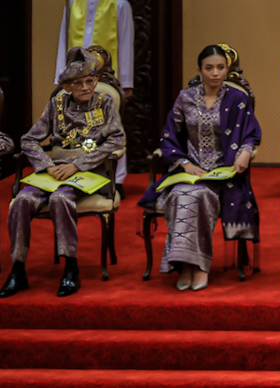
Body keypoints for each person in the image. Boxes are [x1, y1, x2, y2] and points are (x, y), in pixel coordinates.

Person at [2, 48, 125, 299]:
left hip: (89, 171)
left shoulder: (105, 103)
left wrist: (77, 164)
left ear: (96, 80)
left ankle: (71, 267)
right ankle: (18, 269)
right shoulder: (56, 104)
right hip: (54, 171)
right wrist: (47, 165)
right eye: (78, 83)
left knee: (60, 199)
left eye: (89, 81)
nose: (85, 87)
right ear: (67, 86)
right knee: (22, 200)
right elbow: (28, 140)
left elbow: (117, 141)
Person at [139, 44, 261, 292]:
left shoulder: (237, 99)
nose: (215, 73)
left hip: (222, 174)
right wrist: (185, 164)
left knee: (199, 196)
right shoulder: (185, 98)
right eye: (209, 68)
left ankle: (199, 265)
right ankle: (185, 265)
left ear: (227, 70)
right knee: (180, 195)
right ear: (199, 70)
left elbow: (251, 133)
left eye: (220, 67)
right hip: (187, 172)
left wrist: (246, 152)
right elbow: (168, 136)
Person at [56, 0, 133, 189]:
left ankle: (116, 178)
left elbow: (126, 43)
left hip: (109, 78)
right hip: (76, 77)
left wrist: (126, 82)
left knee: (112, 127)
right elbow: (63, 41)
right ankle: (74, 168)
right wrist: (61, 76)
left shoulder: (120, 4)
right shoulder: (72, 3)